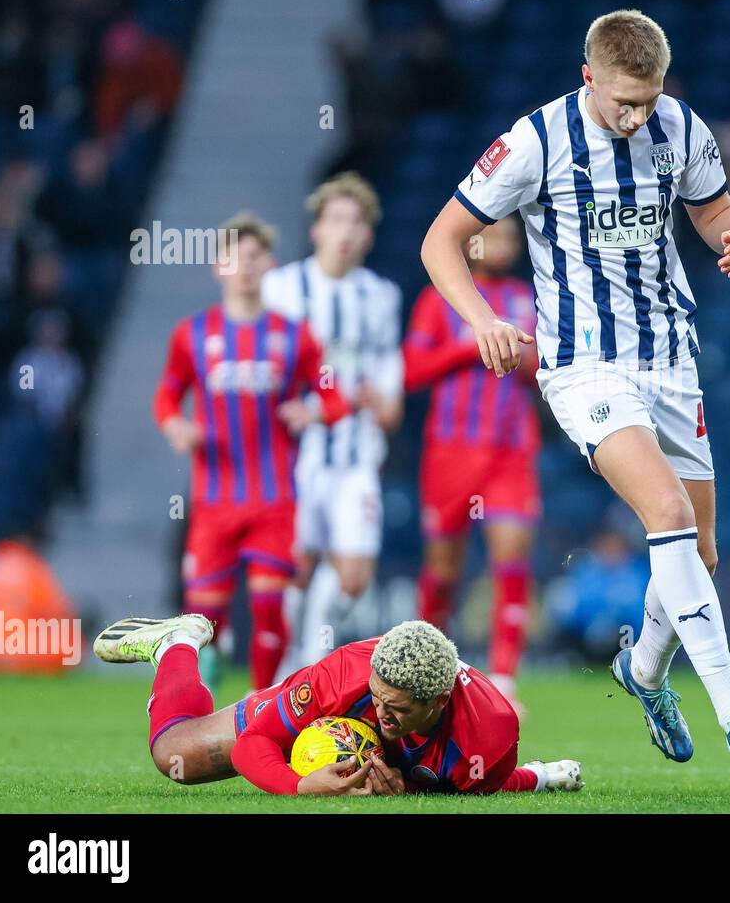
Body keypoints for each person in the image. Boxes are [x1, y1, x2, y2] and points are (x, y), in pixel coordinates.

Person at [418, 9, 730, 780]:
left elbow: (713, 207)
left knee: (703, 552)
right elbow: (439, 240)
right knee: (666, 515)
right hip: (584, 366)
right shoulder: (535, 142)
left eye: (648, 101)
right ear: (588, 77)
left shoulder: (681, 127)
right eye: (625, 101)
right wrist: (484, 320)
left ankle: (644, 674)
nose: (637, 116)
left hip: (671, 358)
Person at [152, 213, 349, 690]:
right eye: (234, 257)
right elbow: (166, 394)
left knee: (267, 606)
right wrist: (176, 425)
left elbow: (334, 395)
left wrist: (314, 413)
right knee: (204, 618)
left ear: (269, 266)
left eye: (255, 257)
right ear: (217, 267)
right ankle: (212, 664)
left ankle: (259, 704)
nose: (244, 266)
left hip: (273, 498)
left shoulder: (294, 335)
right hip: (214, 500)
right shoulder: (192, 335)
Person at [93, 615, 582, 796]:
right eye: (377, 698)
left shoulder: (491, 738)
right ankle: (177, 642)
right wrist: (301, 784)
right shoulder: (349, 673)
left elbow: (479, 788)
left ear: (436, 702)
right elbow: (253, 746)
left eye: (395, 709)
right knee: (176, 758)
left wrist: (540, 777)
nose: (380, 712)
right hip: (312, 714)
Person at [261, 173, 405, 673]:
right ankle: (288, 673)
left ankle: (309, 659)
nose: (346, 231)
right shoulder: (282, 288)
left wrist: (378, 398)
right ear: (317, 228)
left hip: (356, 455)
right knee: (293, 568)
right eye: (336, 219)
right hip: (295, 456)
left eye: (357, 221)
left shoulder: (381, 296)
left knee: (353, 577)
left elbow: (390, 394)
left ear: (368, 235)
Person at [403, 215, 540, 713]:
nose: (505, 244)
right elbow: (412, 369)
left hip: (509, 450)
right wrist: (466, 348)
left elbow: (548, 367)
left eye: (512, 236)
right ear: (470, 243)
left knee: (512, 558)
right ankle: (427, 673)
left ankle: (504, 679)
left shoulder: (528, 297)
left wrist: (525, 360)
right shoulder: (439, 298)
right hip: (450, 452)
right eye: (495, 235)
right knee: (442, 570)